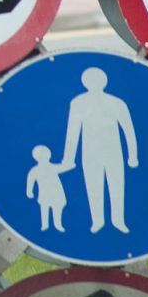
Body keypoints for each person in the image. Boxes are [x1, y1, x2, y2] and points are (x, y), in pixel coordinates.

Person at [60, 67, 137, 233]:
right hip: (90, 153)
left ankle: (118, 220)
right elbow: (72, 133)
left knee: (116, 186)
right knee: (94, 187)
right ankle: (98, 221)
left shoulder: (116, 102)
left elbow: (128, 130)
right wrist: (68, 159)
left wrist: (133, 155)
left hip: (113, 152)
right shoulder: (78, 103)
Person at [25, 144, 70, 231]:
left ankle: (58, 224)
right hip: (45, 193)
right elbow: (30, 181)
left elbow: (63, 167)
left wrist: (69, 164)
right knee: (44, 208)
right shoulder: (35, 170)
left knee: (57, 208)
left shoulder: (52, 167)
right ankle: (45, 224)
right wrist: (29, 192)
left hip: (56, 193)